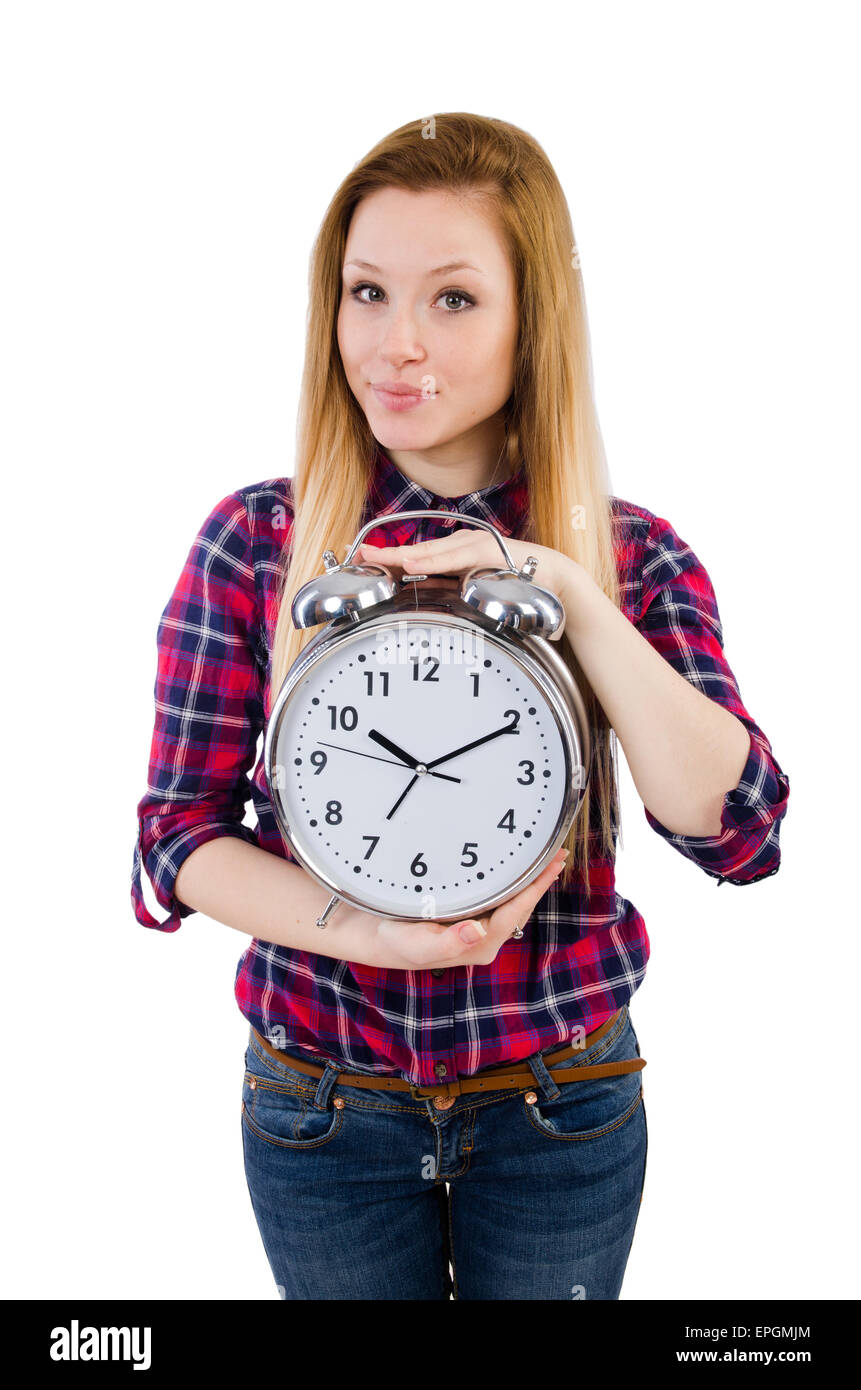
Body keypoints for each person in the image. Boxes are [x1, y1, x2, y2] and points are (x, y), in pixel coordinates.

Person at [131, 113, 790, 1301]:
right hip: (321, 1108)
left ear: (533, 317)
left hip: (560, 1108)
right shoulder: (258, 545)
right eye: (367, 292)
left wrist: (572, 593)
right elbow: (179, 838)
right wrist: (368, 932)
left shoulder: (629, 556)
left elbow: (737, 830)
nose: (395, 344)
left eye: (453, 299)